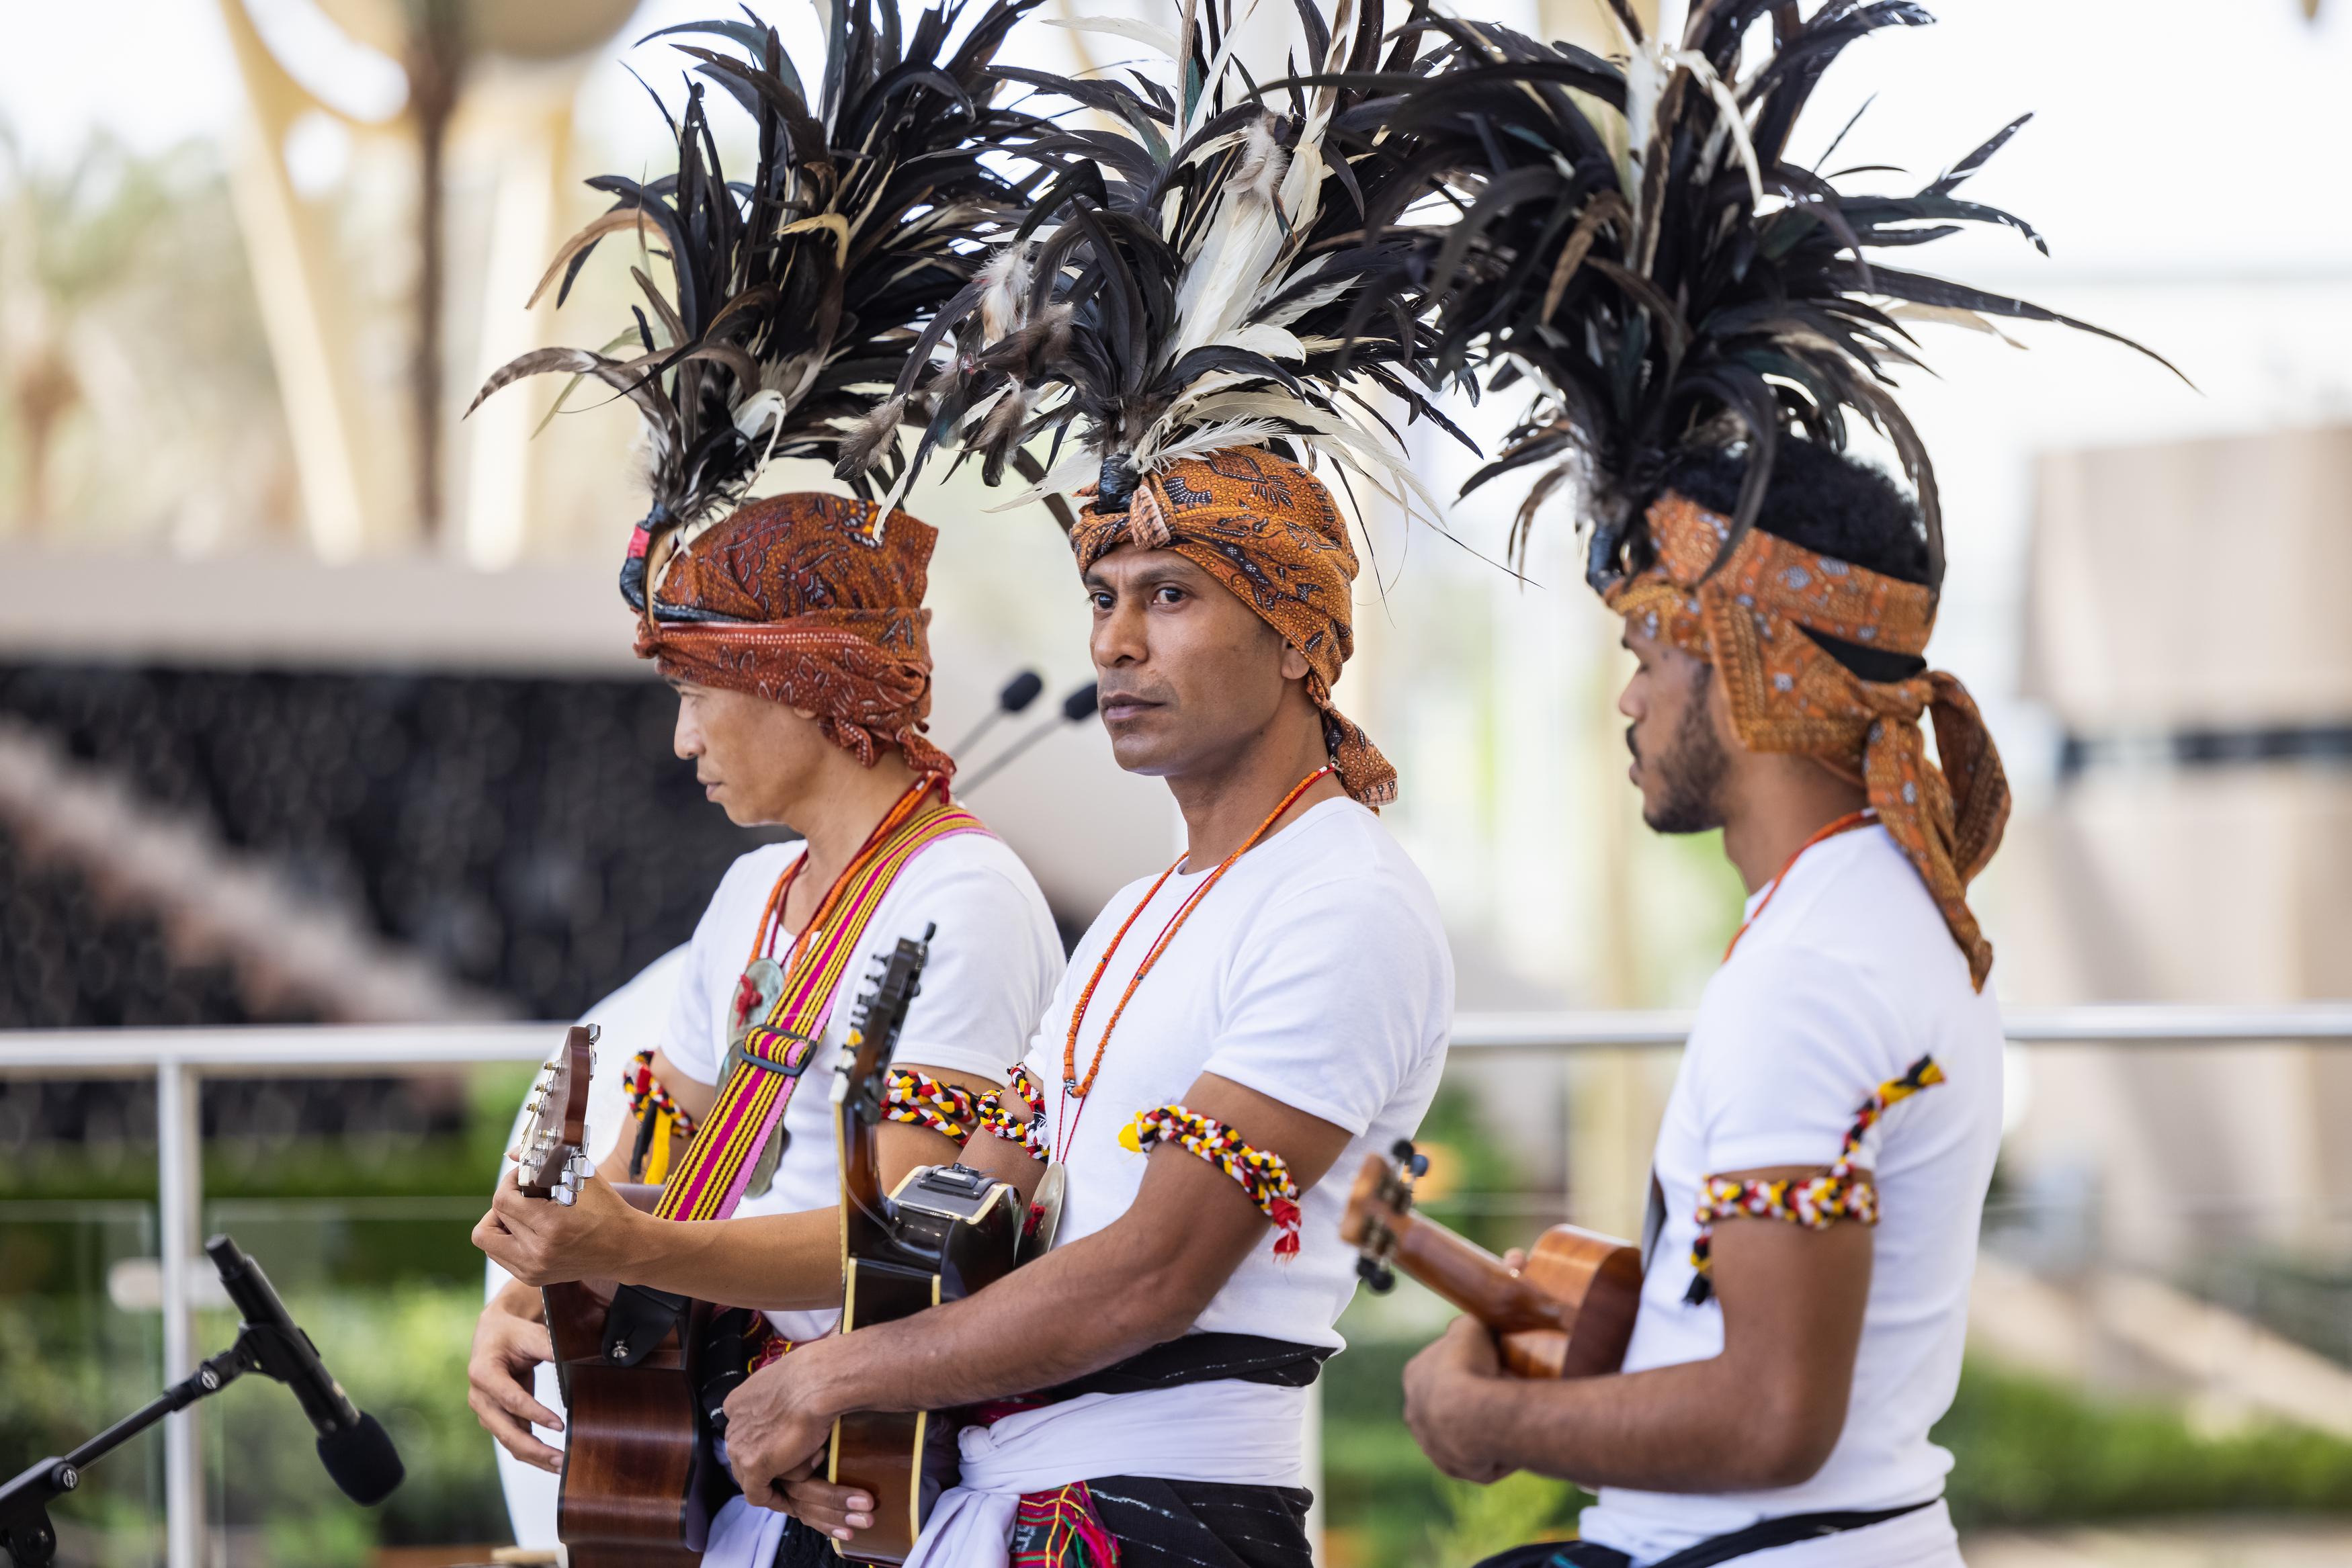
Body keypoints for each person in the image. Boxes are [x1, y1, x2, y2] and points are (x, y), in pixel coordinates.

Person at [1376, 5, 2171, 1565]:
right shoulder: (1868, 917)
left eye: (1646, 649)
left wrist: (1489, 1425)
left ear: (1747, 665)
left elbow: (1769, 1419)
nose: (1626, 696)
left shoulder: (1815, 969)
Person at [712, 8, 1461, 1563]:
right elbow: (974, 1202)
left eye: (1170, 596)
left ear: (1301, 636)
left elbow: (1150, 1276)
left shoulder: (1344, 900)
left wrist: (839, 1378)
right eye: (1102, 597)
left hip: (1166, 1520)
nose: (1115, 641)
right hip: (1007, 1503)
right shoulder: (1132, 913)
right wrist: (773, 1344)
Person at [460, 9, 1063, 1566]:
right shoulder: (755, 897)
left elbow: (910, 1235)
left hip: (849, 1474)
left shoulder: (967, 897)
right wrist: (534, 1290)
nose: (682, 743)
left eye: (697, 694)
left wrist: (630, 1244)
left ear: (806, 685)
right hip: (718, 1442)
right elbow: (661, 1139)